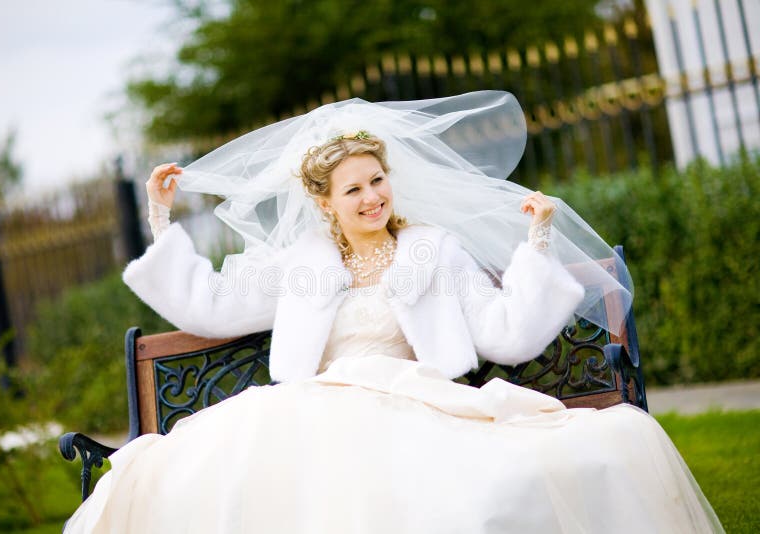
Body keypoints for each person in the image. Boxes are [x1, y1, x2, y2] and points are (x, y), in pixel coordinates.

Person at [64, 92, 723, 533]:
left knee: (604, 444)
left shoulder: (432, 252)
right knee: (175, 473)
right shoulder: (301, 262)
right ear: (327, 202)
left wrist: (538, 245)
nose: (372, 196)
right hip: (311, 407)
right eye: (354, 188)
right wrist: (159, 215)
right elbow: (208, 306)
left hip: (414, 403)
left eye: (377, 180)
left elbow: (508, 334)